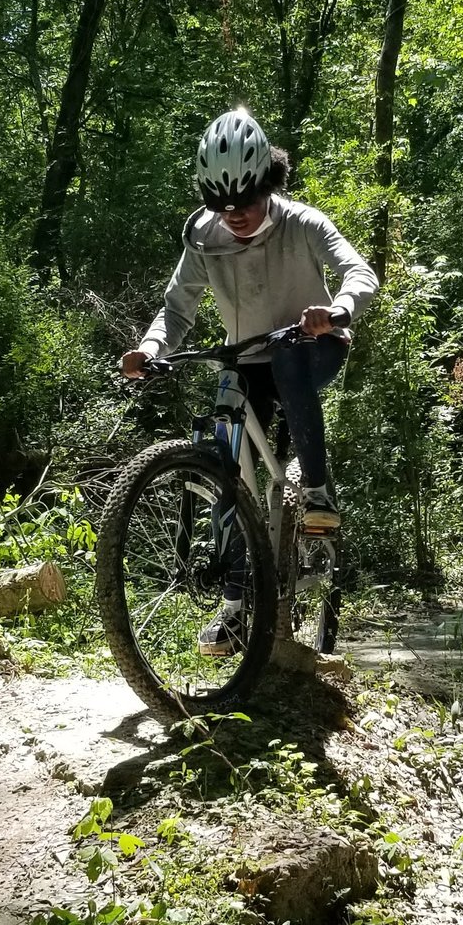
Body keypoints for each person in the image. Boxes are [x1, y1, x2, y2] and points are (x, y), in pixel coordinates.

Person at [123, 108, 379, 654]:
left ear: (267, 182)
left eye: (246, 199)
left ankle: (316, 490)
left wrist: (336, 311)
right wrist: (149, 349)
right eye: (222, 204)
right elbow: (177, 308)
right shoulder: (202, 236)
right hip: (244, 359)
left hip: (312, 348)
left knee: (288, 359)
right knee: (225, 461)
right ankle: (236, 608)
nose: (234, 214)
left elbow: (359, 271)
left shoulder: (303, 222)